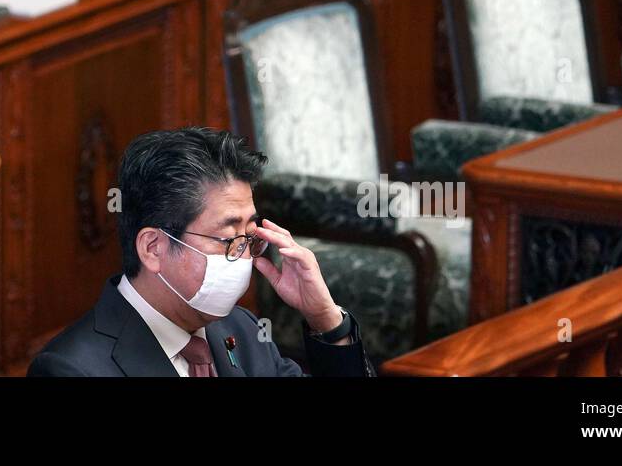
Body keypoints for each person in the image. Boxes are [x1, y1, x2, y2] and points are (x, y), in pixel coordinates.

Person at [29, 127, 373, 377]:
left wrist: (325, 319)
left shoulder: (243, 330)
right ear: (154, 247)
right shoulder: (71, 369)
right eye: (228, 240)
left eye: (249, 237)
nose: (246, 258)